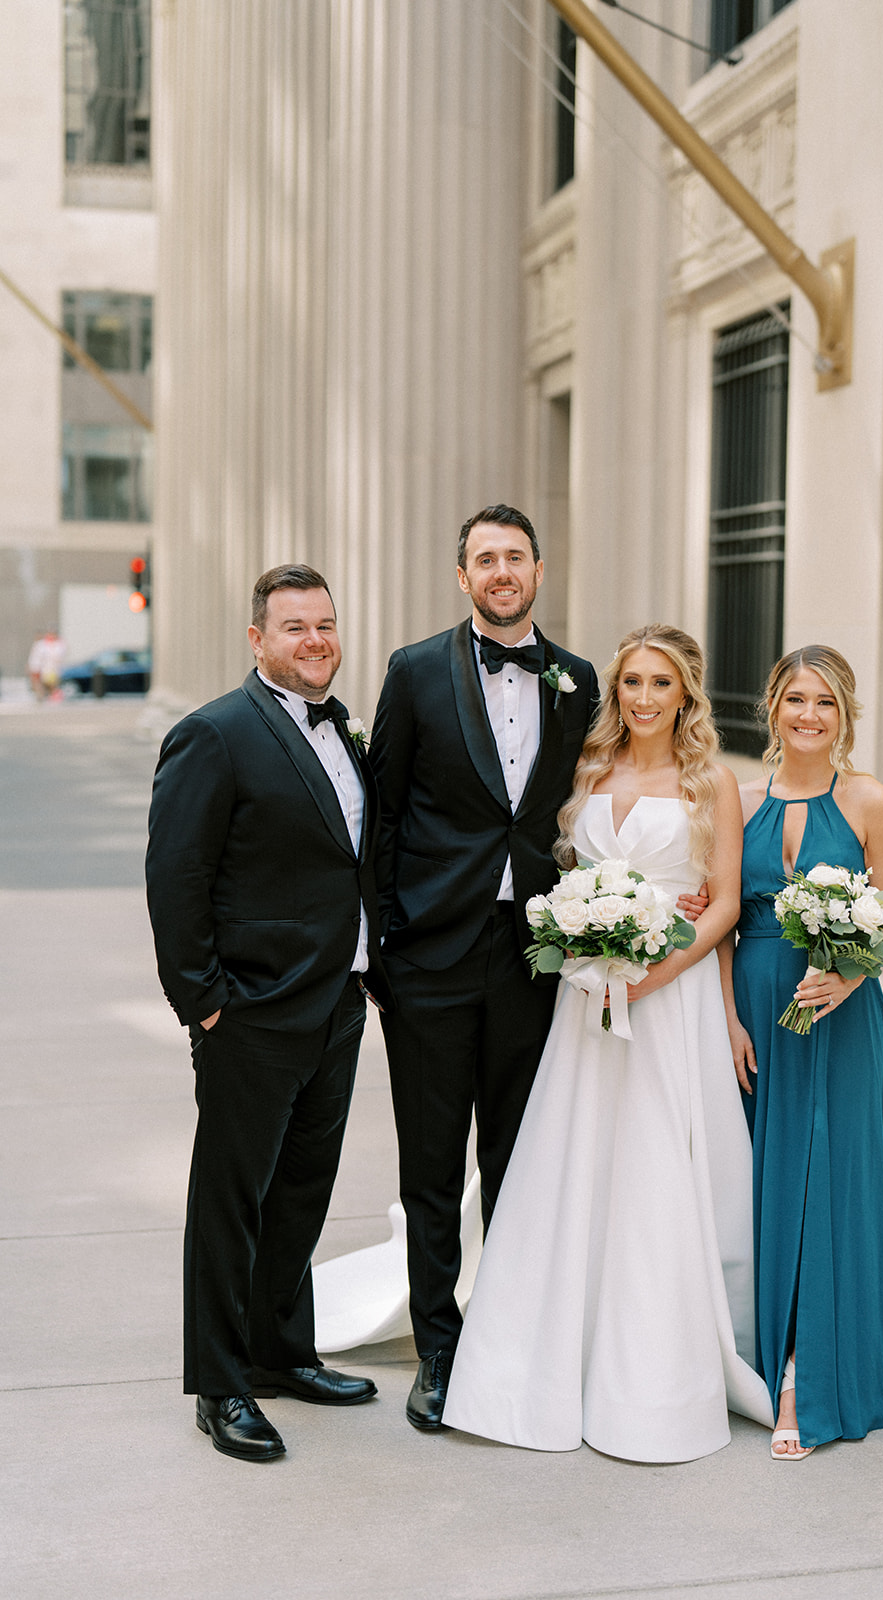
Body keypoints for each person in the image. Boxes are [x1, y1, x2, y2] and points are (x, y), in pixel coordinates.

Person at [442, 625, 775, 1461]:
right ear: (615, 691)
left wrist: (659, 974)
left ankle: (651, 1374)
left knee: (655, 1160)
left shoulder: (712, 782)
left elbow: (724, 903)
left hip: (669, 995)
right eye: (631, 682)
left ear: (686, 693)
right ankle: (555, 1347)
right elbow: (560, 877)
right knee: (579, 1156)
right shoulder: (588, 769)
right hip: (586, 995)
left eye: (661, 683)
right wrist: (579, 940)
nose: (644, 698)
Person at [145, 564, 393, 1463]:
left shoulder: (345, 729)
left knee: (300, 1192)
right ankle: (220, 1385)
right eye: (294, 627)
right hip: (250, 1012)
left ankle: (281, 1353)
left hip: (337, 1004)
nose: (315, 640)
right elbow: (177, 875)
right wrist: (205, 1003)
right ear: (257, 639)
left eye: (324, 624)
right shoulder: (214, 733)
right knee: (232, 1201)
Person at [369, 504, 600, 1432]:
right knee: (431, 1166)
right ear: (462, 577)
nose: (501, 571)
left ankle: (509, 1338)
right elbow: (382, 815)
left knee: (519, 1158)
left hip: (534, 958)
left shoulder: (577, 680)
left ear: (538, 570)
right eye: (484, 559)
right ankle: (438, 1347)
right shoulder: (414, 671)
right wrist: (380, 945)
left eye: (515, 557)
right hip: (429, 955)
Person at [718, 645, 883, 1459]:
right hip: (754, 1010)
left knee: (827, 1184)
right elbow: (720, 921)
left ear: (844, 714)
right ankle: (760, 1350)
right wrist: (727, 1021)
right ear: (771, 707)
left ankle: (804, 1381)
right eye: (795, 699)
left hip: (839, 1017)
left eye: (824, 702)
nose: (808, 715)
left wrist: (846, 978)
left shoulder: (870, 801)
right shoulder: (737, 800)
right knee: (764, 1181)